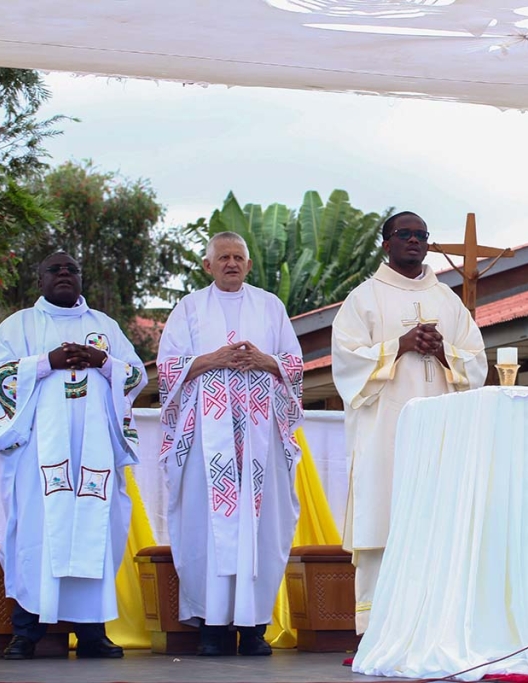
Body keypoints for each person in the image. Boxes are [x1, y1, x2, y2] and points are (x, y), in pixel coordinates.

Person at [0, 251, 146, 660]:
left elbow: (136, 374)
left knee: (95, 532)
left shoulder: (104, 326)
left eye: (72, 269)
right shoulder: (18, 325)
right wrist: (45, 363)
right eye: (55, 269)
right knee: (35, 535)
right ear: (40, 280)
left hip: (95, 455)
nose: (65, 274)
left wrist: (102, 361)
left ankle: (92, 634)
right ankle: (26, 633)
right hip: (38, 456)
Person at [332, 211, 487, 634]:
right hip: (385, 435)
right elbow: (345, 364)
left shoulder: (447, 301)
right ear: (387, 244)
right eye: (405, 234)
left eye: (421, 234)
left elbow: (476, 362)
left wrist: (443, 352)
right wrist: (397, 346)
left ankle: (436, 627)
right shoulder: (364, 299)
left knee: (438, 526)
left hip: (441, 434)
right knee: (383, 521)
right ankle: (377, 630)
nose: (414, 240)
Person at [156, 232, 305, 656]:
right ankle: (212, 628)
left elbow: (295, 364)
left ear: (249, 265)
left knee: (264, 526)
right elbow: (166, 368)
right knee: (204, 524)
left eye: (239, 257)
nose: (232, 264)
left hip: (261, 437)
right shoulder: (189, 307)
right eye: (223, 257)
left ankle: (254, 628)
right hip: (206, 435)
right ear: (208, 265)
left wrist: (265, 361)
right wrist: (212, 360)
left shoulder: (270, 306)